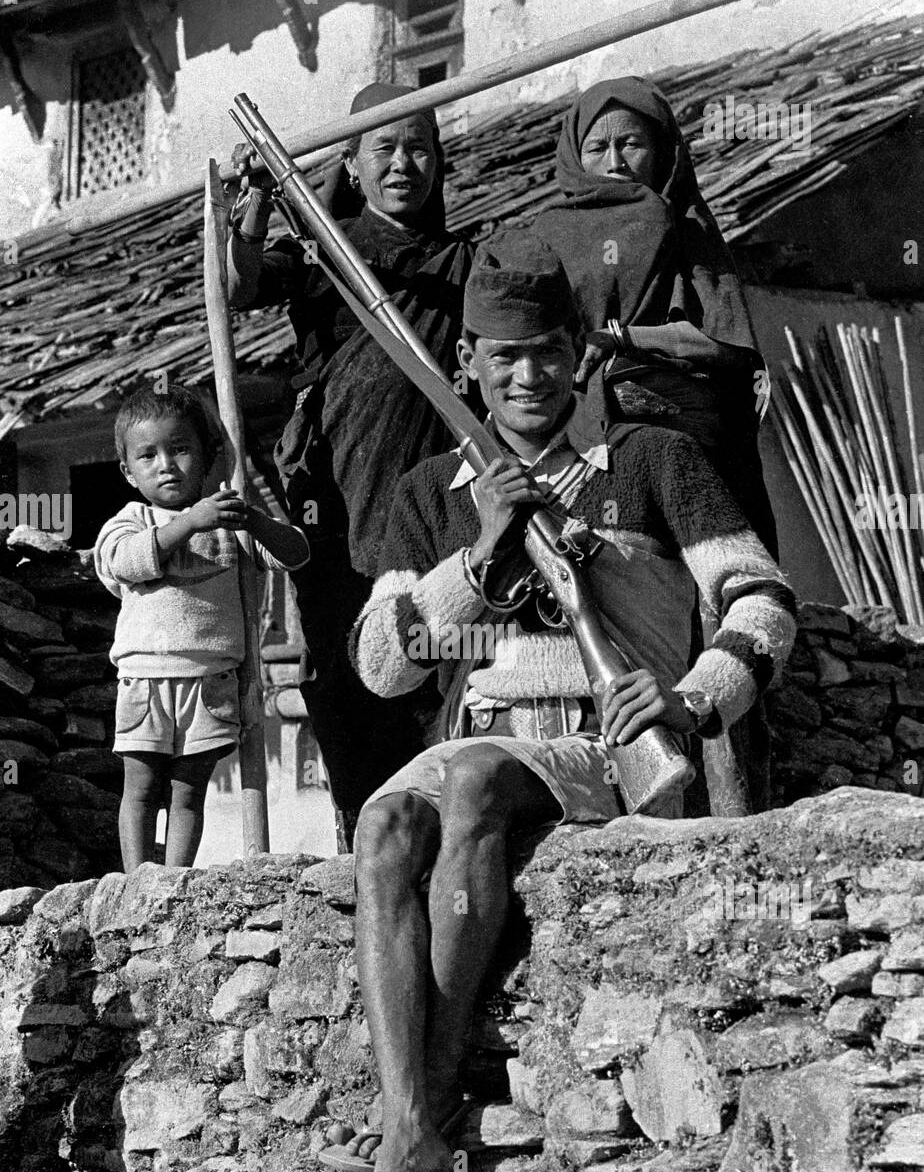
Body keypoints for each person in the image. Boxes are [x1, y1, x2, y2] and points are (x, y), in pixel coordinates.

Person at [324, 232, 796, 1172]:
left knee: (477, 785)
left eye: (546, 351)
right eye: (505, 357)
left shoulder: (652, 461)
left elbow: (761, 605)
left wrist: (691, 702)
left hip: (596, 744)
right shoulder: (428, 494)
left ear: (579, 353)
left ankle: (418, 1126)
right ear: (469, 370)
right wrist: (482, 551)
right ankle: (412, 1126)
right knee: (390, 825)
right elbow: (381, 663)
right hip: (476, 746)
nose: (528, 375)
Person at [227, 82, 474, 848]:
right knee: (341, 664)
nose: (405, 164)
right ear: (354, 165)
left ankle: (437, 827)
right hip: (335, 492)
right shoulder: (321, 250)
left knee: (434, 656)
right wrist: (254, 203)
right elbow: (235, 283)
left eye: (420, 148)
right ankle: (362, 837)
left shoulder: (463, 259)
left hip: (431, 492)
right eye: (386, 149)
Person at [533, 77, 779, 813]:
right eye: (598, 145)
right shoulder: (547, 236)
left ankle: (736, 823)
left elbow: (725, 343)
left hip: (694, 451)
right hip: (593, 463)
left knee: (718, 620)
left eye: (631, 142)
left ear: (663, 149)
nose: (614, 159)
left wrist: (622, 338)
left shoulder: (687, 231)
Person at [94, 383, 308, 872]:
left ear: (209, 457)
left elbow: (296, 555)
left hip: (211, 681)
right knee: (142, 786)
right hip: (146, 677)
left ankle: (174, 877)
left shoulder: (229, 521)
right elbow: (125, 563)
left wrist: (252, 519)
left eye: (181, 448)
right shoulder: (130, 520)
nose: (166, 464)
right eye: (148, 456)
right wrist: (189, 522)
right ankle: (136, 880)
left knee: (188, 791)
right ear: (128, 472)